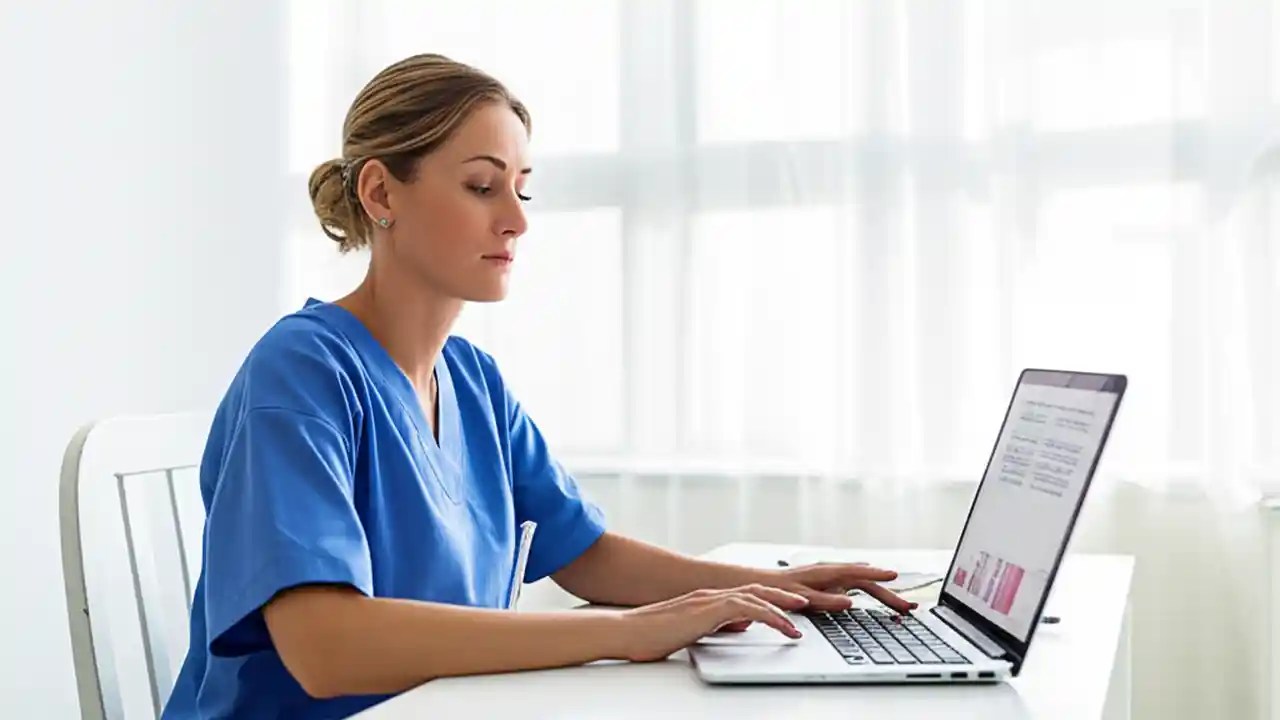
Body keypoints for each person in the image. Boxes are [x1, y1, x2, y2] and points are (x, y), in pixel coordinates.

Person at [161, 53, 913, 719]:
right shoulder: (301, 374)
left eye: (523, 187)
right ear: (381, 195)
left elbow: (585, 555)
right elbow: (325, 649)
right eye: (483, 186)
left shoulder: (473, 382)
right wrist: (624, 635)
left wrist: (765, 586)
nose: (517, 218)